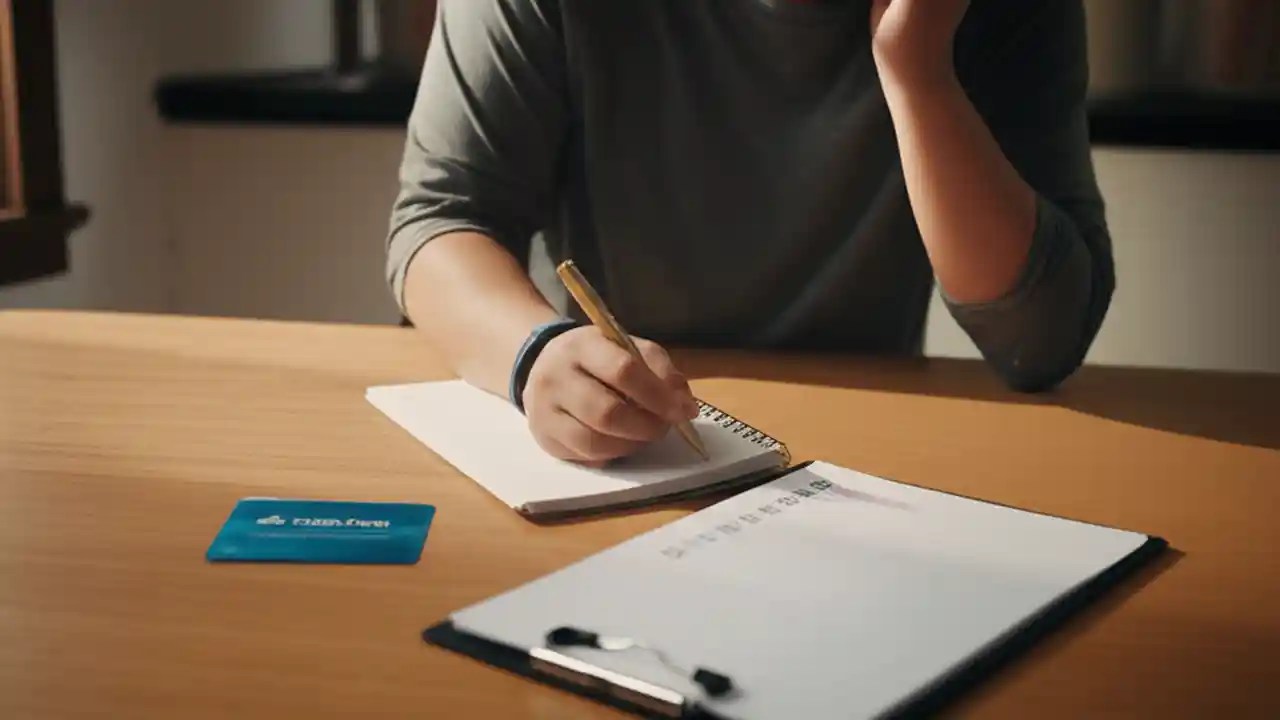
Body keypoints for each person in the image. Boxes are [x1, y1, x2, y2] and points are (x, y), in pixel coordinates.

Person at [386, 0, 1113, 466]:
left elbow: (1041, 340)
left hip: (862, 461)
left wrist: (917, 70)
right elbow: (445, 218)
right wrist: (534, 356)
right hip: (626, 454)